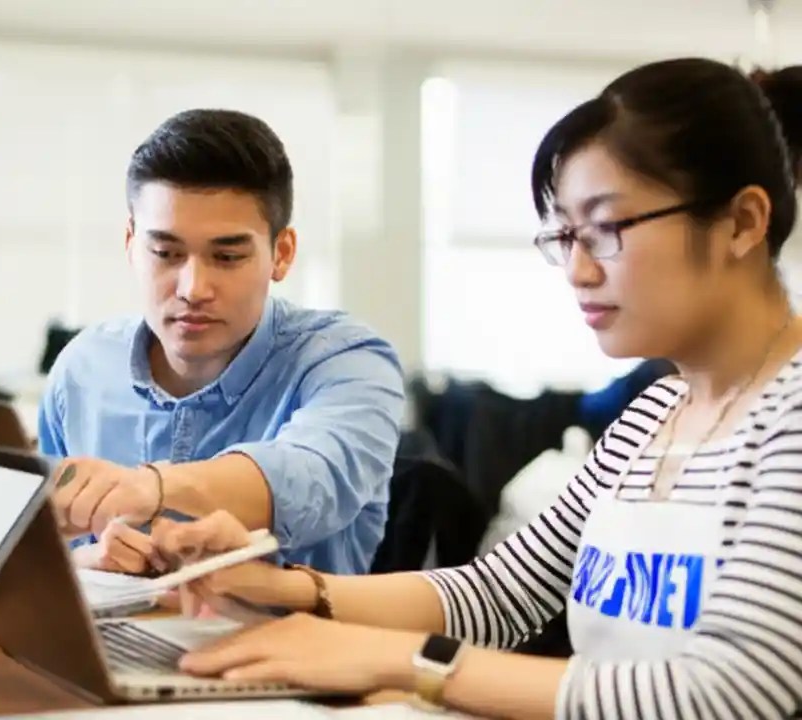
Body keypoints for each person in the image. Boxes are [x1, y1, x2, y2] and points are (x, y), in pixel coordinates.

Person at [149, 59, 802, 720]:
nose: (576, 270)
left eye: (606, 231)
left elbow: (734, 691)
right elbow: (498, 593)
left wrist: (401, 663)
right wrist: (278, 587)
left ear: (743, 223)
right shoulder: (655, 416)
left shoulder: (790, 417)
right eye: (565, 236)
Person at [39, 109, 404, 576]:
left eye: (227, 256)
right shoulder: (84, 368)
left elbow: (314, 476)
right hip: (104, 640)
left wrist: (152, 488)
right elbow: (45, 543)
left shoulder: (346, 360)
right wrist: (88, 562)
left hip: (287, 641)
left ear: (282, 253)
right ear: (131, 243)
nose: (193, 288)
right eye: (166, 254)